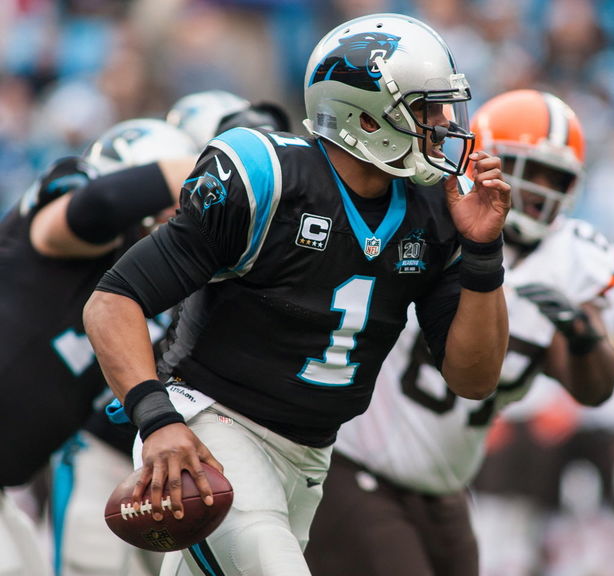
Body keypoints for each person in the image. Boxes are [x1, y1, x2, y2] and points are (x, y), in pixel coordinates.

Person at [83, 12, 511, 576]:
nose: (444, 125)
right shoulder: (270, 177)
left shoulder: (432, 211)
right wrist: (158, 420)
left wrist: (483, 254)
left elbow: (473, 378)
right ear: (367, 113)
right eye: (426, 110)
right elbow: (112, 301)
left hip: (310, 456)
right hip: (213, 429)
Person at [304, 89, 614, 576]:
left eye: (554, 177)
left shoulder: (572, 261)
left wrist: (582, 334)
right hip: (355, 464)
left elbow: (595, 388)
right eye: (526, 168)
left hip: (445, 486)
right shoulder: (433, 219)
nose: (539, 189)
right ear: (485, 159)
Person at [48, 95, 293, 576]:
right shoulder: (100, 257)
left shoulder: (234, 247)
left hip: (189, 454)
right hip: (107, 449)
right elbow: (100, 206)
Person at [0, 118, 198, 576]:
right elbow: (100, 204)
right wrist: (240, 169)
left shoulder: (158, 283)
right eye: (178, 204)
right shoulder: (61, 221)